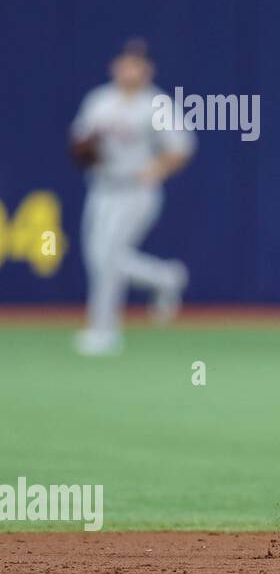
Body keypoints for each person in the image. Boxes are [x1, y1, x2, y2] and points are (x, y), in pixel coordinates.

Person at [69, 40, 194, 356]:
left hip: (137, 192)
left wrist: (157, 169)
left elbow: (182, 147)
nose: (129, 68)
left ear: (148, 70)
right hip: (101, 188)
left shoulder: (157, 104)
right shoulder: (99, 101)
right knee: (99, 258)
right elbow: (79, 141)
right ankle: (165, 278)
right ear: (115, 65)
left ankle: (103, 332)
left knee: (108, 257)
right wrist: (87, 149)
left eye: (136, 63)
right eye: (125, 62)